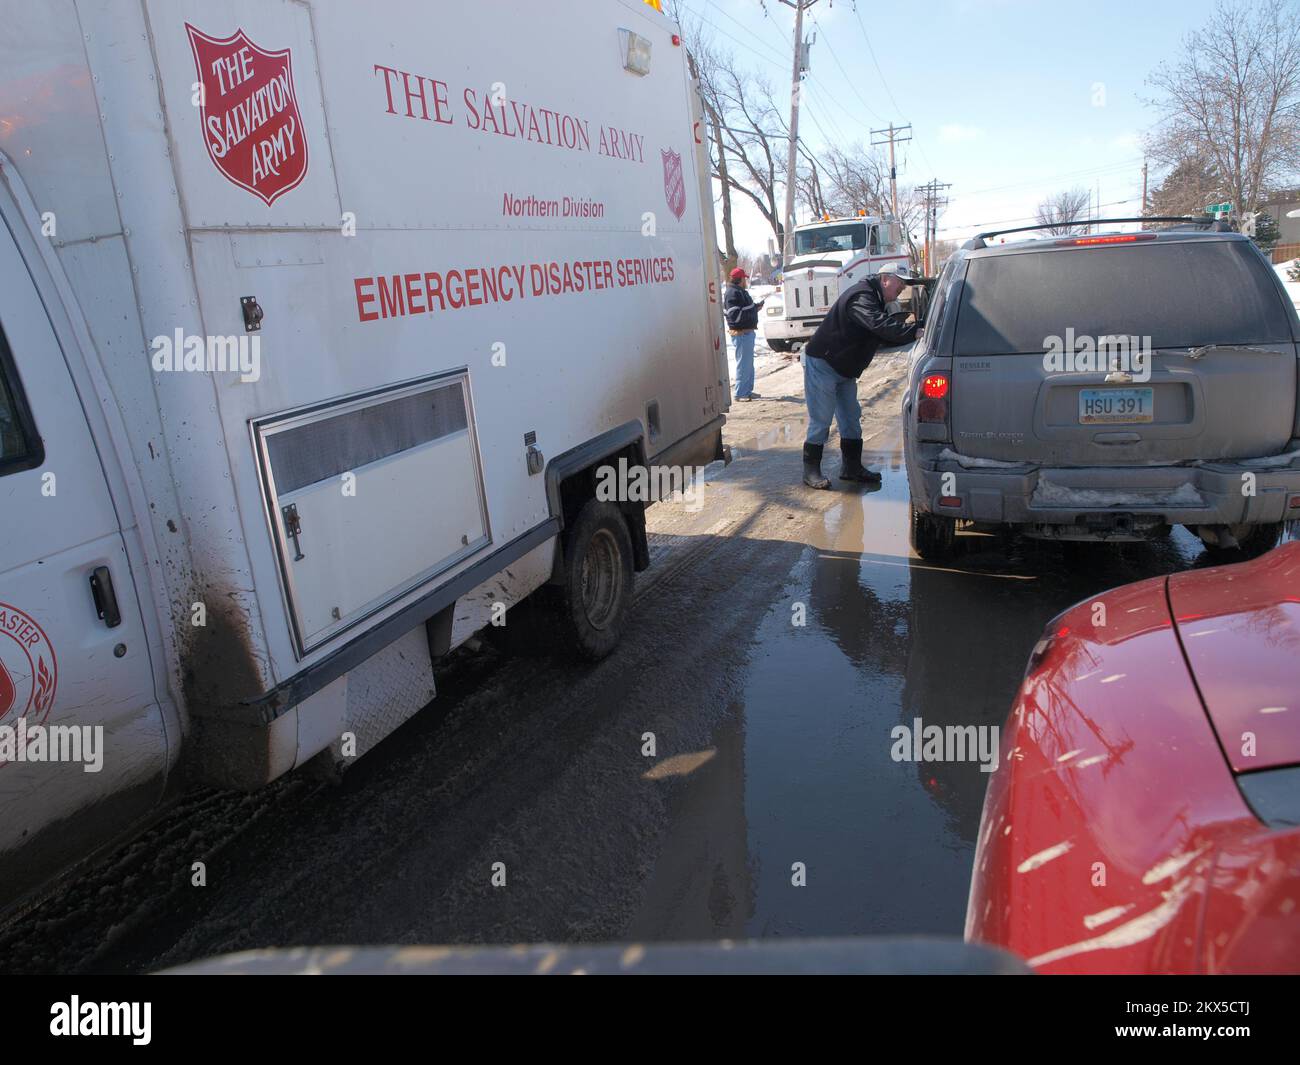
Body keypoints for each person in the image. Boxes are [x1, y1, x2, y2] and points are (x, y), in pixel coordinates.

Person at [800, 261, 920, 488]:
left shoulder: (875, 298)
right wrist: (914, 331)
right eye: (900, 282)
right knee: (822, 419)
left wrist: (906, 331)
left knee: (851, 418)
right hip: (823, 364)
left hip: (844, 368)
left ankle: (852, 468)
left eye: (904, 284)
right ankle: (811, 471)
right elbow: (878, 325)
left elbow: (879, 334)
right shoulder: (862, 297)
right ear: (885, 279)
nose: (902, 287)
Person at [723, 267, 764, 401]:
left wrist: (755, 308)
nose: (746, 280)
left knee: (748, 364)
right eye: (744, 278)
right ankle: (740, 393)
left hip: (746, 332)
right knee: (743, 364)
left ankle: (747, 391)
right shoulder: (732, 293)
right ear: (740, 279)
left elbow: (743, 310)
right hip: (741, 333)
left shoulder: (739, 292)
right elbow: (735, 316)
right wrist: (752, 309)